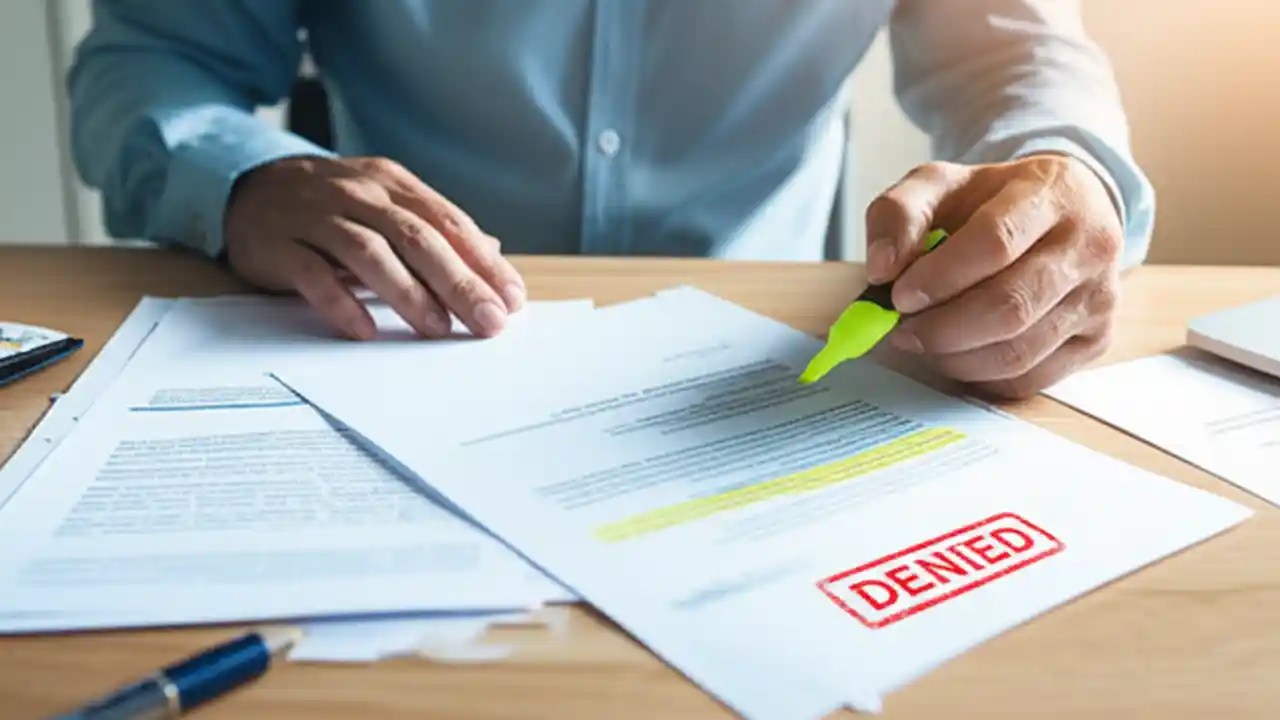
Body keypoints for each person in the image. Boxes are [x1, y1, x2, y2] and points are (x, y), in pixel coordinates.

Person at [67, 1, 1154, 398]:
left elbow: (1013, 48)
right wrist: (246, 176)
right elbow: (152, 59)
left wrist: (1069, 173)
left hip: (768, 361)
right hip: (396, 351)